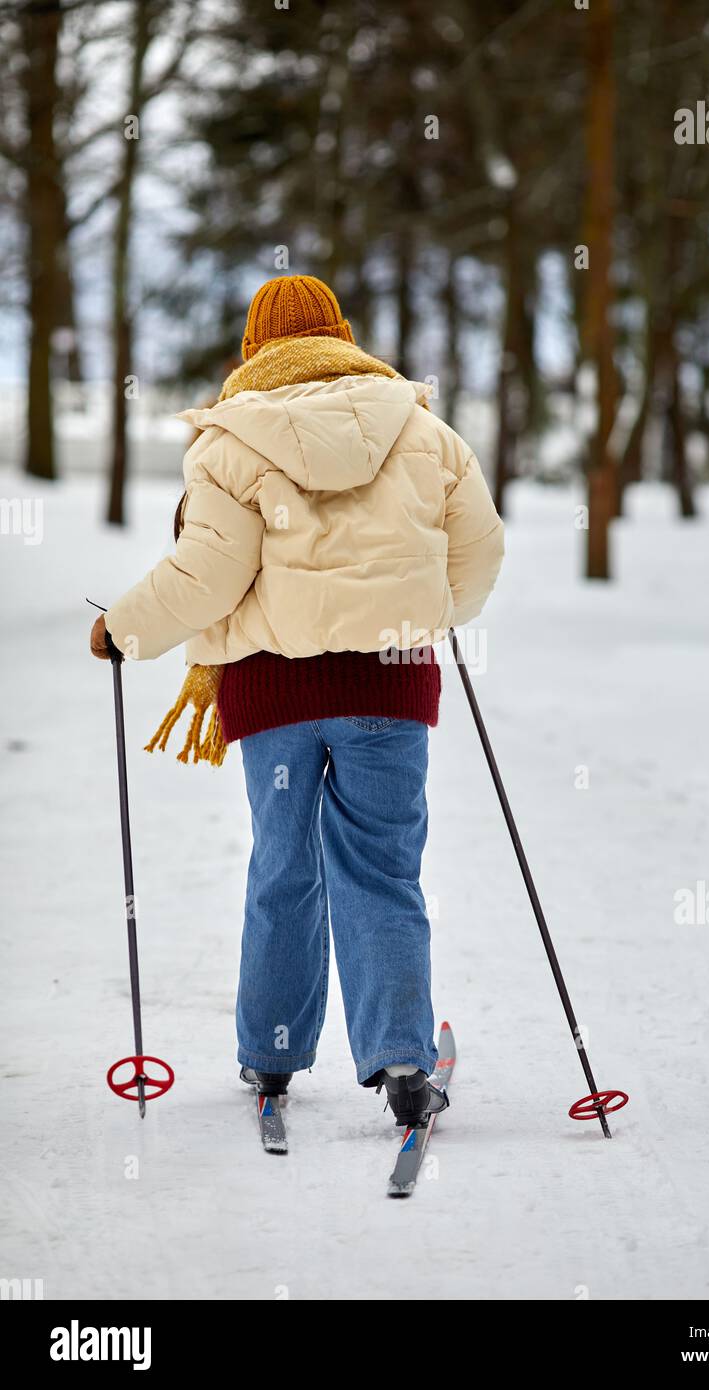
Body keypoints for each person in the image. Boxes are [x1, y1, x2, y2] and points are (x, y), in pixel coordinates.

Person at [90, 274, 504, 1126]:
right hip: (389, 683)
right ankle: (400, 1058)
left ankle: (271, 1057)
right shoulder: (424, 432)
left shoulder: (226, 443)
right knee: (383, 871)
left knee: (282, 866)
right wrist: (422, 615)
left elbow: (209, 576)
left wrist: (122, 632)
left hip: (274, 692)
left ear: (253, 351)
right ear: (343, 335)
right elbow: (480, 554)